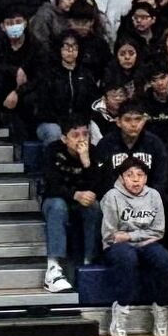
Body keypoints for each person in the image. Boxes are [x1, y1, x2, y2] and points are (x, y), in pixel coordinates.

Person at [99, 158, 168, 336]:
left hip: (146, 243)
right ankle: (120, 312)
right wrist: (140, 236)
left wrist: (131, 236)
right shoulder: (112, 196)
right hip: (116, 247)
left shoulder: (154, 195)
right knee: (127, 258)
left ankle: (160, 311)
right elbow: (111, 234)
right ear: (121, 178)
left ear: (146, 178)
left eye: (140, 175)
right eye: (129, 175)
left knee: (165, 261)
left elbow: (158, 230)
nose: (135, 179)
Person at [40, 122, 104, 291]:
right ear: (64, 138)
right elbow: (51, 184)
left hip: (82, 203)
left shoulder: (94, 152)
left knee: (94, 206)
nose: (81, 140)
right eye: (76, 135)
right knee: (58, 205)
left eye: (85, 135)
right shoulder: (53, 151)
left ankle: (89, 262)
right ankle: (53, 267)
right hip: (56, 200)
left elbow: (99, 184)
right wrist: (75, 195)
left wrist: (87, 163)